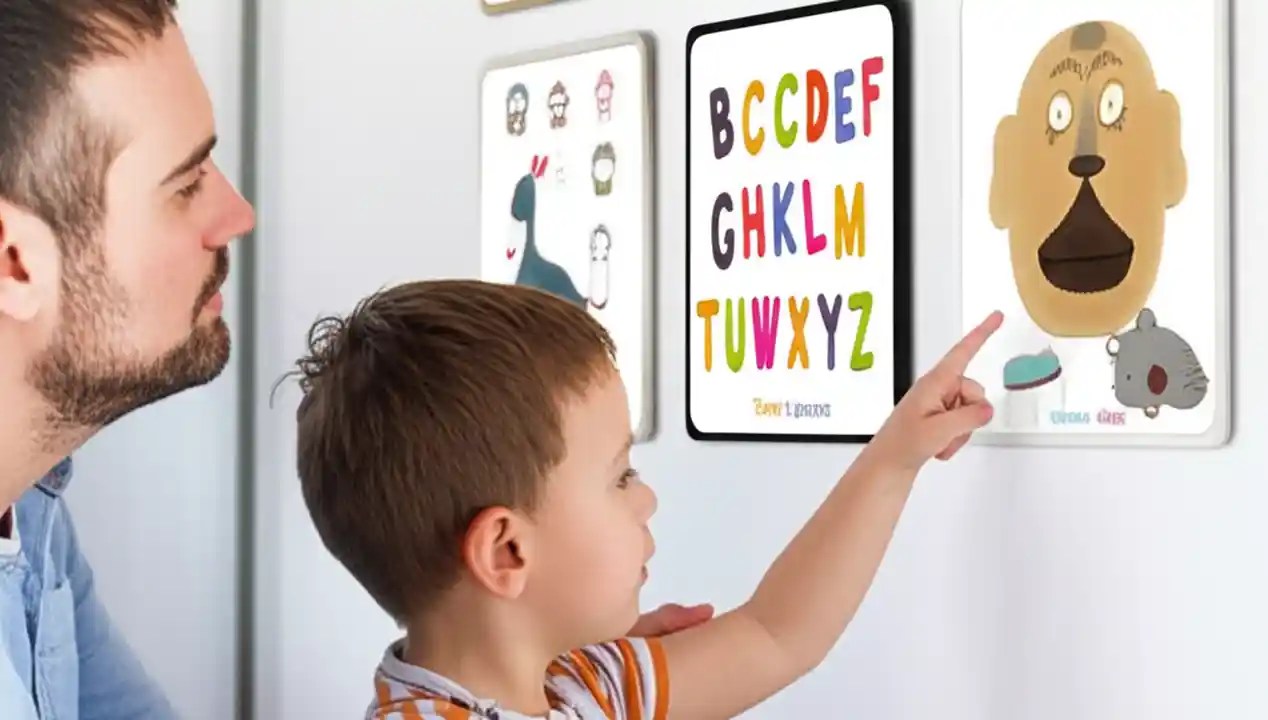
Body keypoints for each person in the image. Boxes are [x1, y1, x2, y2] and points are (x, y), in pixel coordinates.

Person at [0, 2, 706, 717]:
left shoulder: (31, 515)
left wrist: (535, 666)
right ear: (14, 261)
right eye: (185, 185)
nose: (237, 214)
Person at [288, 279, 1003, 719]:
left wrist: (893, 458)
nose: (647, 499)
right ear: (508, 552)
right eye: (621, 476)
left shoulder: (584, 685)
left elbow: (777, 635)